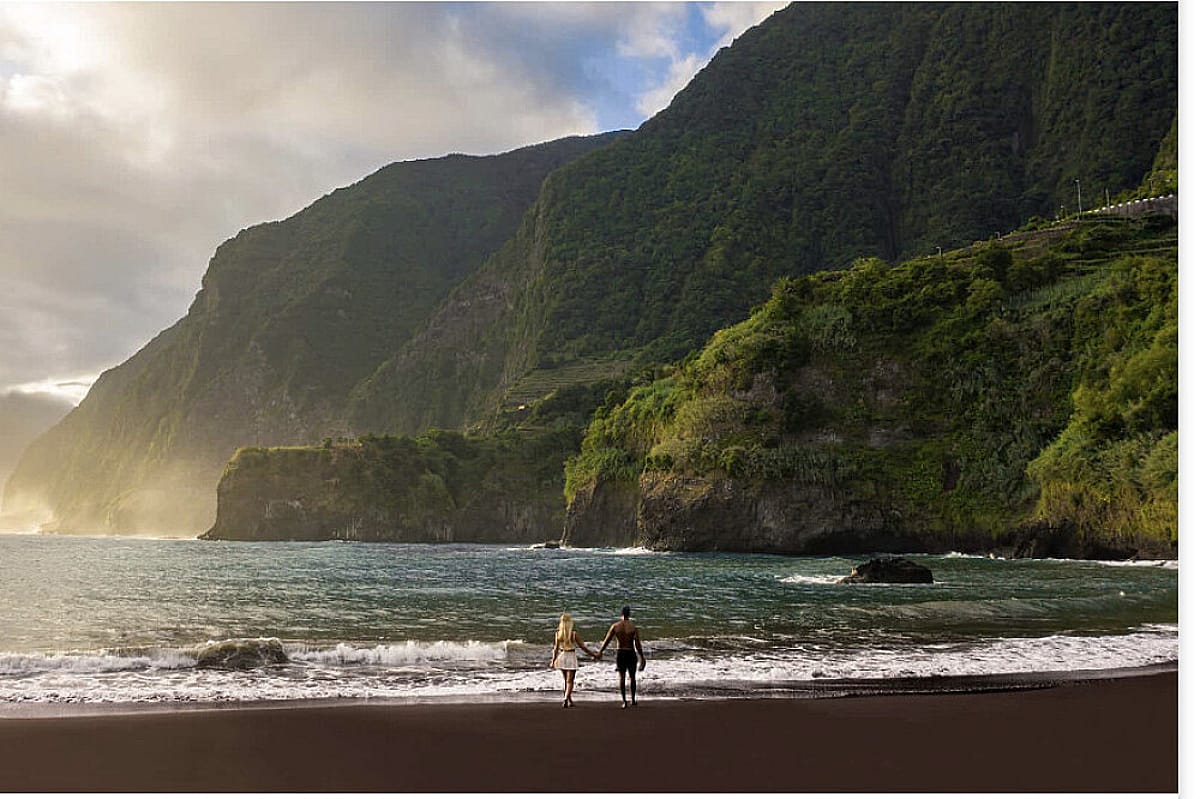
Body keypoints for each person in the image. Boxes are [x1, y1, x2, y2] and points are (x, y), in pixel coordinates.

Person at [595, 605, 646, 708]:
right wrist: (642, 657)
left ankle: (624, 701)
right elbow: (637, 644)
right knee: (632, 677)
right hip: (631, 652)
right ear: (629, 614)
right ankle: (633, 700)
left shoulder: (615, 626)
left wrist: (600, 651)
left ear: (621, 614)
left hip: (620, 653)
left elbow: (607, 640)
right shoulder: (633, 627)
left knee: (621, 677)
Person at [550, 612, 598, 708]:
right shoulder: (573, 634)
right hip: (571, 656)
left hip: (562, 655)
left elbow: (555, 649)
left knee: (566, 681)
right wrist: (593, 655)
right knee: (570, 681)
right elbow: (583, 647)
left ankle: (569, 699)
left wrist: (553, 660)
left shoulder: (558, 634)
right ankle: (566, 699)